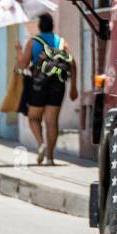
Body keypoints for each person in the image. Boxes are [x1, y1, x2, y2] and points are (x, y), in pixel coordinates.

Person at [15, 14, 76, 165]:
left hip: (38, 85)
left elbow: (23, 65)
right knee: (52, 122)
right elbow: (72, 64)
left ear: (40, 26)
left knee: (33, 118)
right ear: (52, 26)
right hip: (58, 86)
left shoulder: (33, 41)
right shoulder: (62, 43)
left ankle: (40, 143)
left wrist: (18, 50)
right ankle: (50, 158)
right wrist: (73, 88)